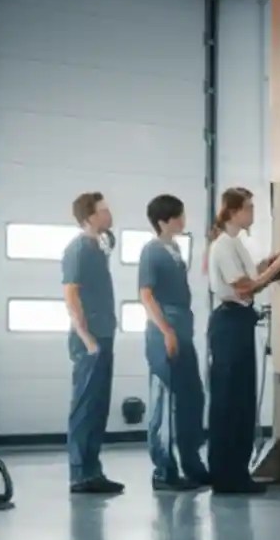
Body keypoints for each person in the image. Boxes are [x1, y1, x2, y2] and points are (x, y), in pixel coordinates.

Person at [205, 187, 280, 494]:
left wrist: (271, 261)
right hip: (230, 321)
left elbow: (250, 273)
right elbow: (244, 287)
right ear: (234, 212)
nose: (252, 212)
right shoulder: (223, 246)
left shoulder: (236, 244)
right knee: (229, 401)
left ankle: (236, 472)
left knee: (241, 400)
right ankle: (227, 476)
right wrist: (277, 269)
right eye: (248, 207)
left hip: (239, 322)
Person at [139, 194, 212, 492]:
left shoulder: (175, 250)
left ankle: (192, 464)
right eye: (178, 217)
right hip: (165, 332)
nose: (183, 221)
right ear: (163, 221)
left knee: (191, 398)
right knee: (167, 401)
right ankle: (164, 470)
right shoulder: (152, 251)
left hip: (182, 330)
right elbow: (146, 294)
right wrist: (166, 330)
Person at [62, 192, 124, 494]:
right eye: (103, 210)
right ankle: (79, 474)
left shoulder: (98, 245)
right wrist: (86, 337)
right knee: (86, 405)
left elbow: (109, 238)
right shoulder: (79, 249)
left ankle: (92, 470)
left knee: (99, 406)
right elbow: (71, 294)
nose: (109, 214)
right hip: (89, 338)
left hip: (103, 333)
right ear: (89, 217)